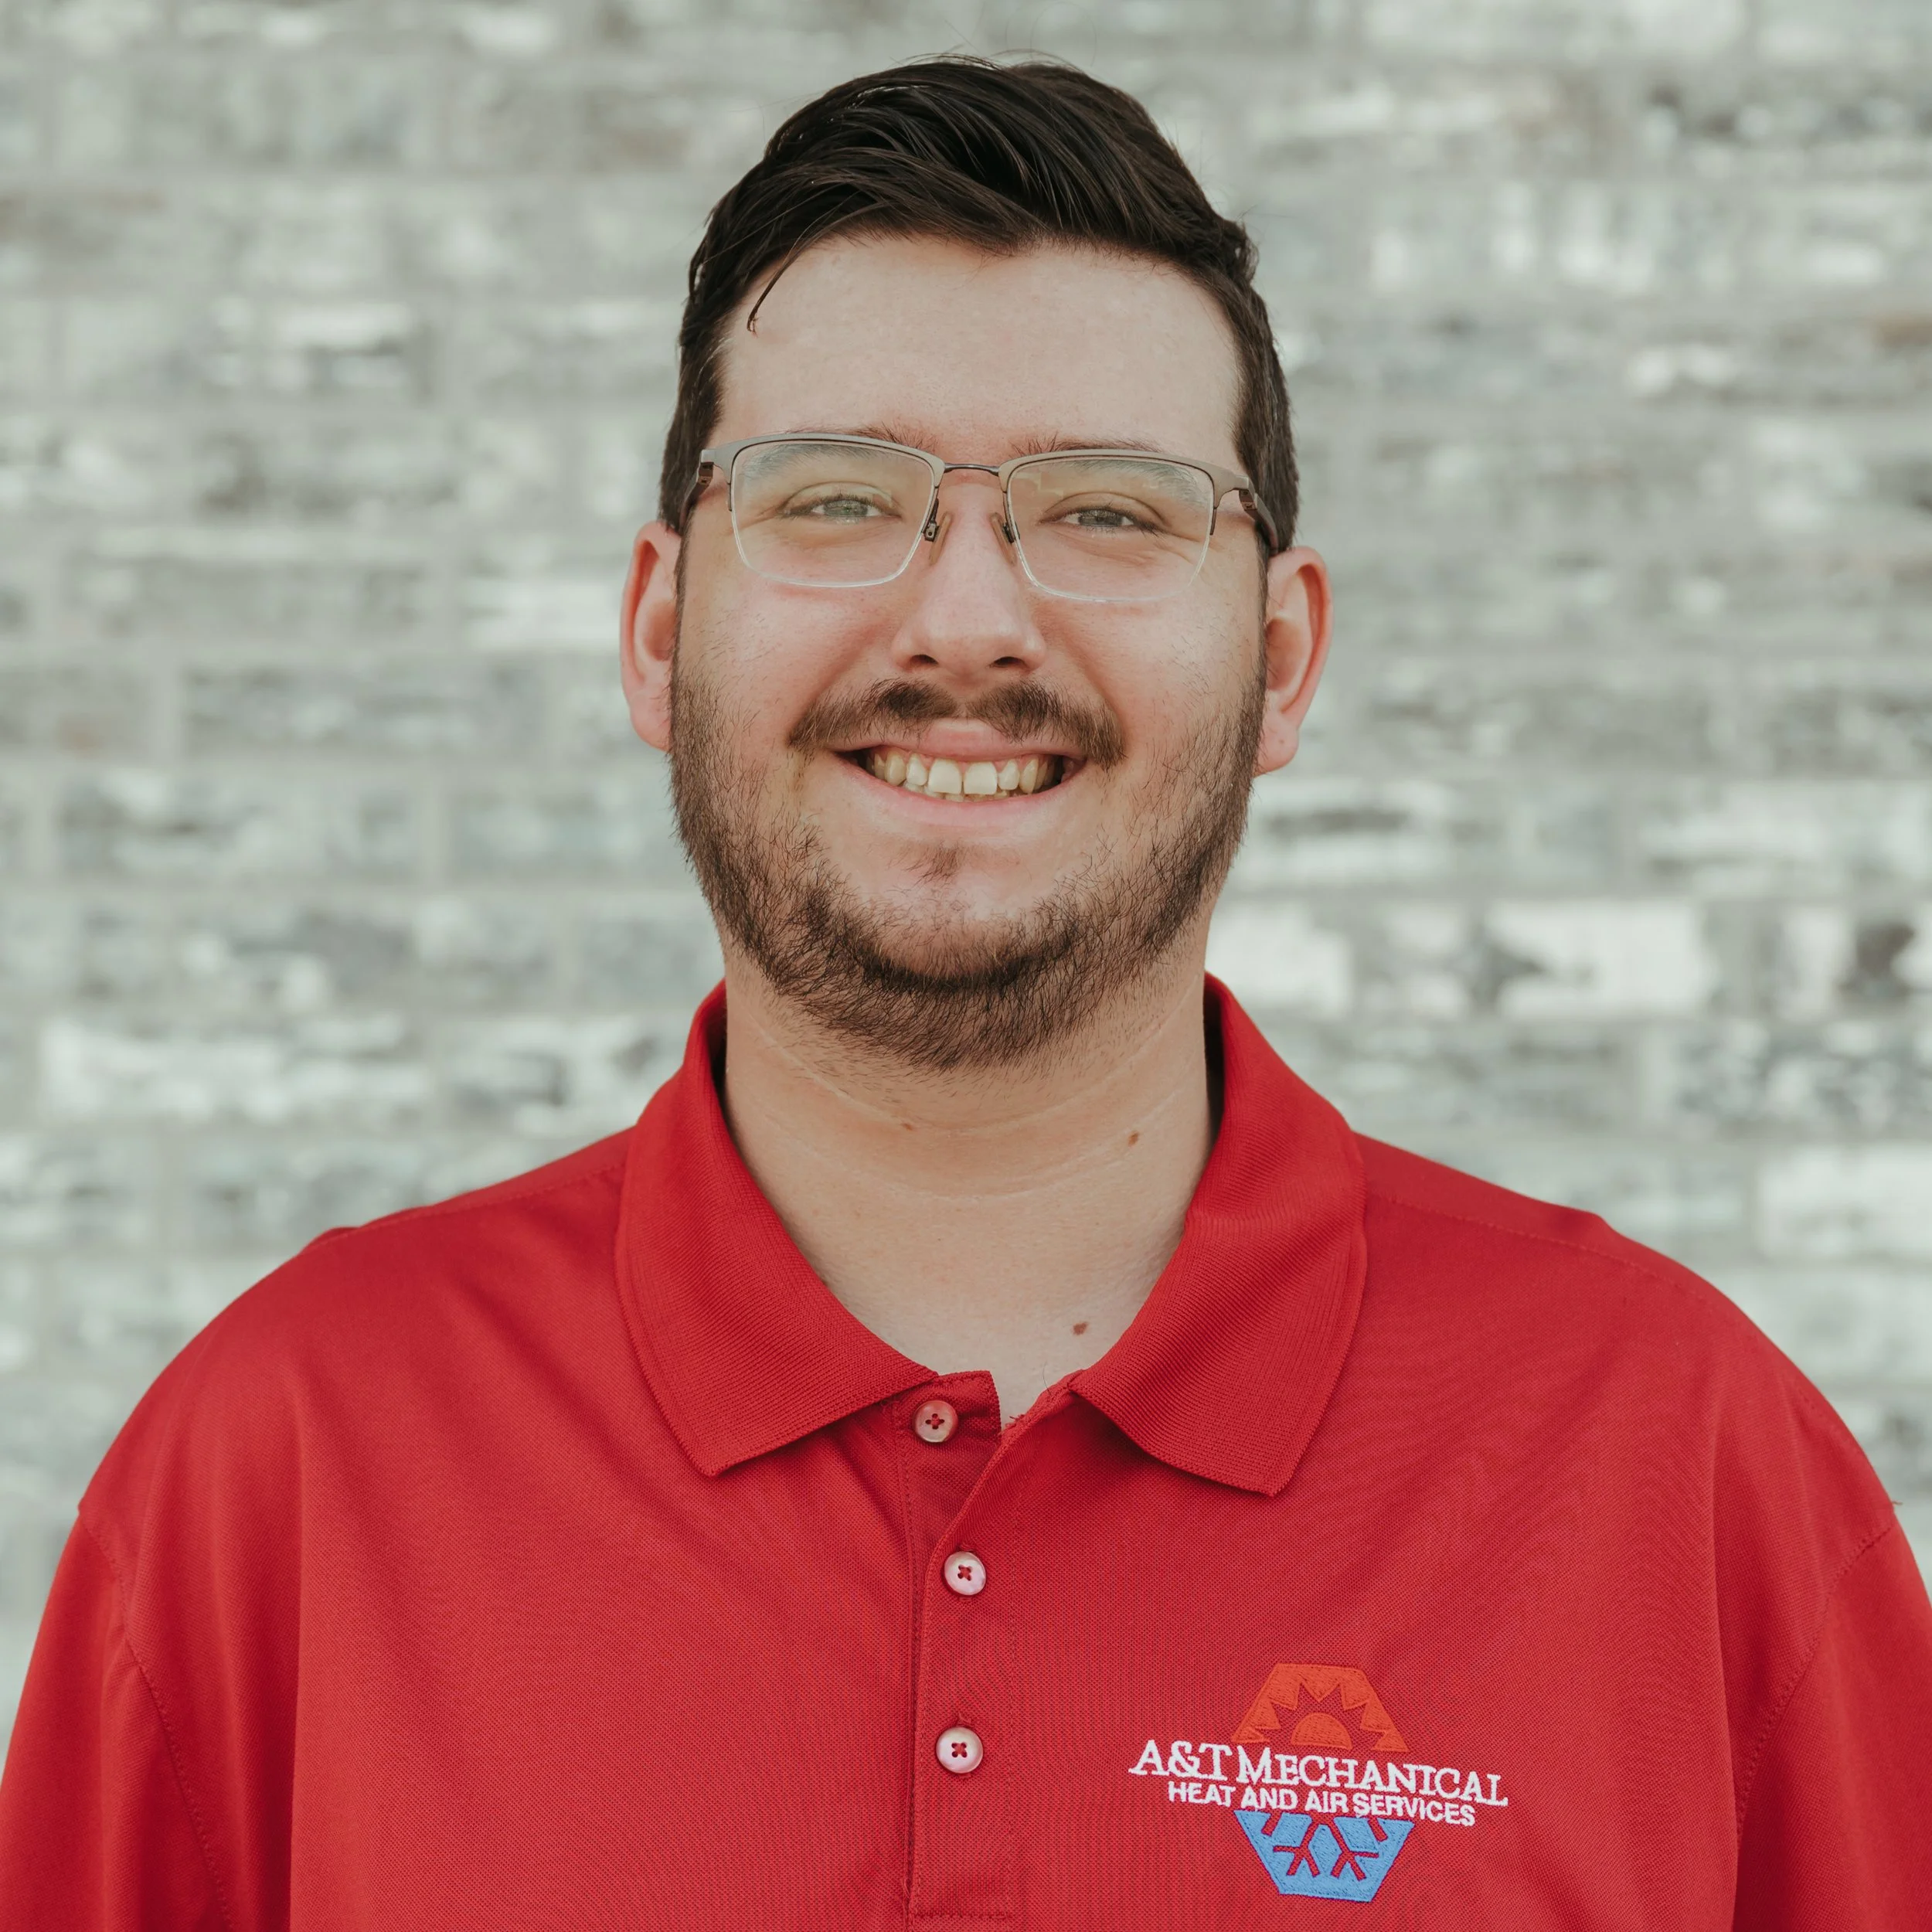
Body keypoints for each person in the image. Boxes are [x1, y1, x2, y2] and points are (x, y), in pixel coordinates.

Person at [2, 55, 1927, 1930]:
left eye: (1109, 510)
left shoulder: (1671, 1464)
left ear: (1279, 657)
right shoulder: (291, 1459)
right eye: (836, 498)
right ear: (660, 628)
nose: (968, 620)